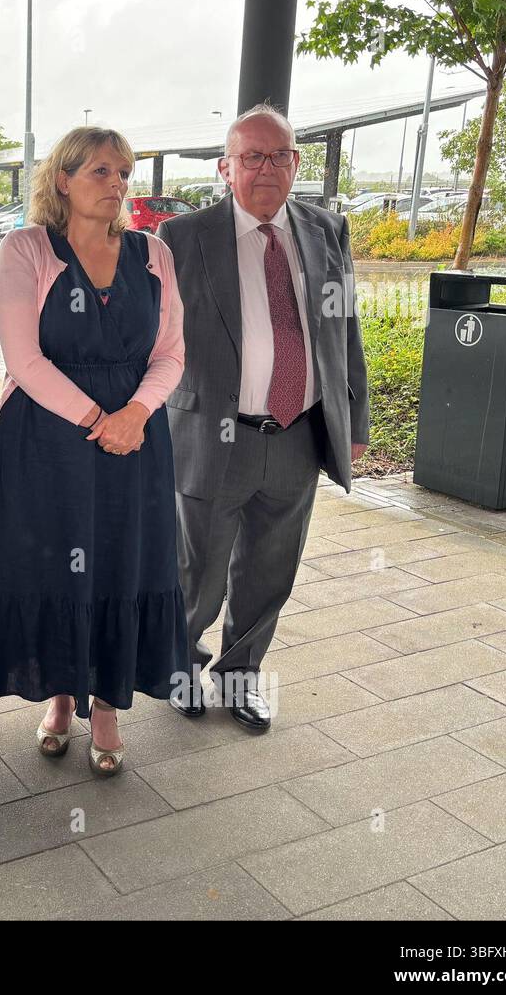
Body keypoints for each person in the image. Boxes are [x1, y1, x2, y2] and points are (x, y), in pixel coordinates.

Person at [0, 126, 188, 776]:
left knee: (122, 561)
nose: (117, 182)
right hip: (46, 440)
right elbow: (22, 358)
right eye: (100, 170)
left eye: (124, 171)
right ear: (61, 178)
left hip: (137, 437)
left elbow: (172, 351)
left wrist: (138, 412)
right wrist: (101, 418)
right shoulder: (25, 248)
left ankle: (108, 705)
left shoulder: (154, 254)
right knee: (55, 566)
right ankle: (60, 697)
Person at [158, 103, 370, 731]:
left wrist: (352, 421)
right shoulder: (184, 238)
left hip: (298, 436)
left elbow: (345, 331)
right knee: (196, 572)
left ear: (297, 162)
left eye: (279, 154)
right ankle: (179, 666)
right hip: (212, 435)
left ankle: (241, 676)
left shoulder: (328, 230)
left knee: (271, 570)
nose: (266, 167)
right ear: (226, 168)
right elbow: (157, 339)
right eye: (251, 156)